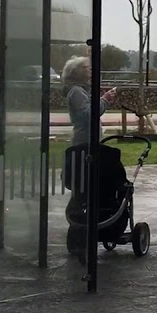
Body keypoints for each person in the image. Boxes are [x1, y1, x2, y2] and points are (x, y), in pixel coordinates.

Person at [61, 56, 116, 226]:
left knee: (86, 182)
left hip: (86, 139)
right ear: (77, 72)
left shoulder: (80, 91)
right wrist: (105, 100)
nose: (91, 71)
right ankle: (80, 218)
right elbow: (88, 115)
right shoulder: (77, 91)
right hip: (84, 141)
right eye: (87, 68)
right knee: (83, 182)